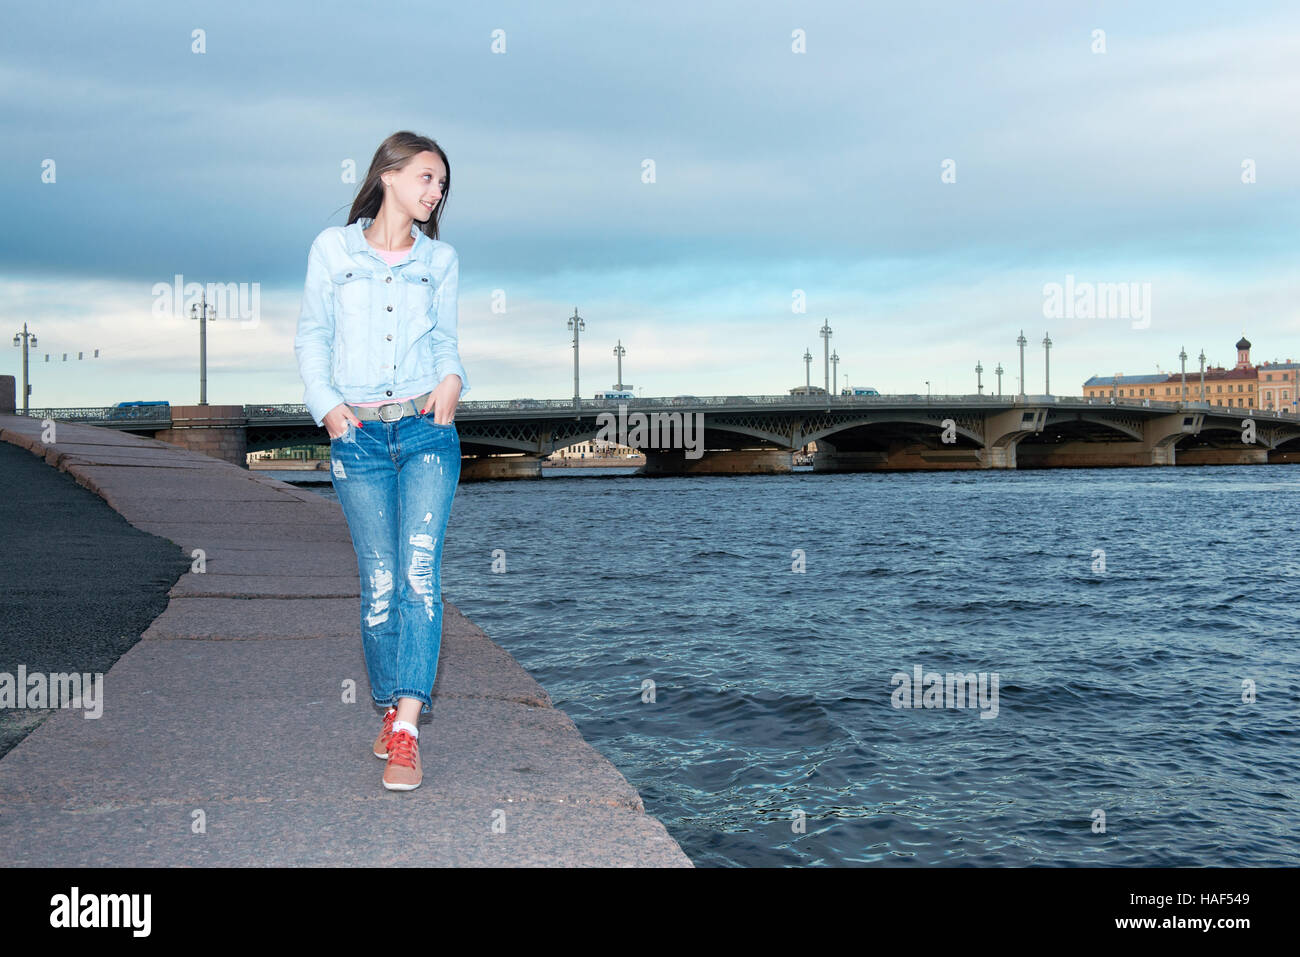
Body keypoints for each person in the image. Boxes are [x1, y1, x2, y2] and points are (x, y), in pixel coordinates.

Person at [294, 131, 470, 791]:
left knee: (420, 576)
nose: (436, 192)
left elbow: (446, 337)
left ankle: (408, 728)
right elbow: (313, 333)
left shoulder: (440, 259)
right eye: (427, 177)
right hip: (358, 437)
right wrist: (328, 407)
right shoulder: (332, 250)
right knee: (380, 585)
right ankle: (391, 706)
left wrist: (453, 378)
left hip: (427, 429)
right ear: (389, 175)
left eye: (442, 185)